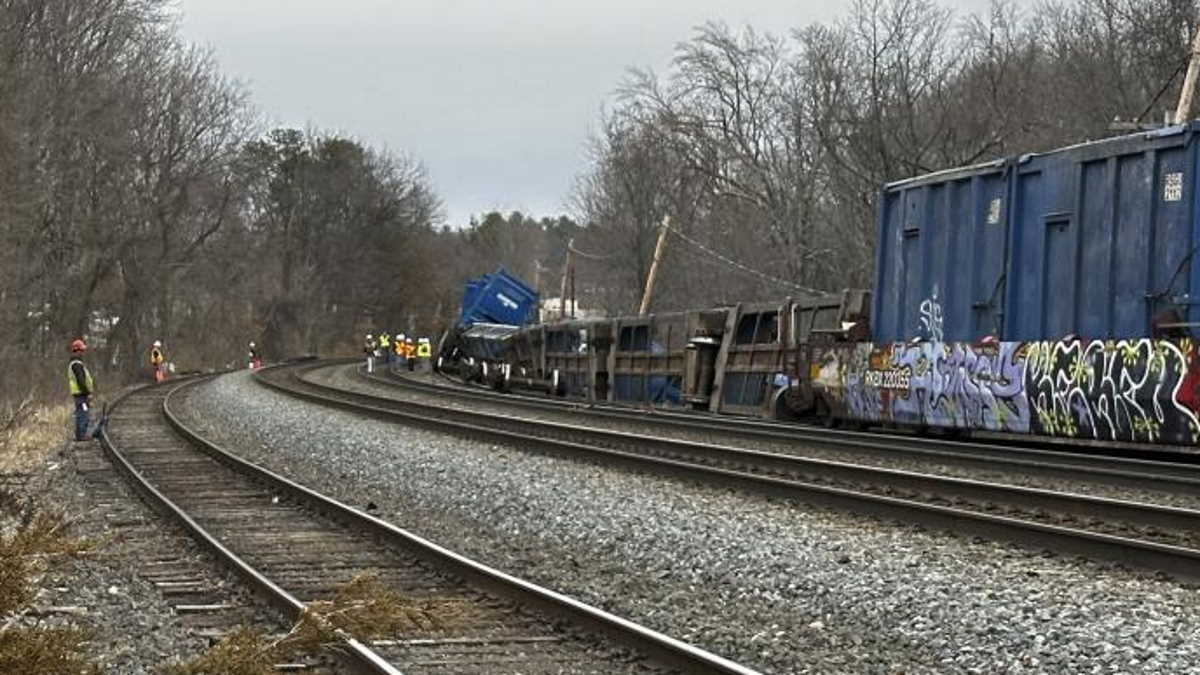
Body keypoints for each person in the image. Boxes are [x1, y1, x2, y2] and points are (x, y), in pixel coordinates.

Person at [68, 339, 95, 441]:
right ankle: (82, 435)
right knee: (83, 413)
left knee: (81, 413)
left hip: (79, 394)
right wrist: (87, 393)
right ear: (77, 350)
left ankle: (80, 435)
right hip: (81, 394)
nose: (83, 353)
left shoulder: (75, 363)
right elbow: (81, 380)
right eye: (82, 350)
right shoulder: (77, 364)